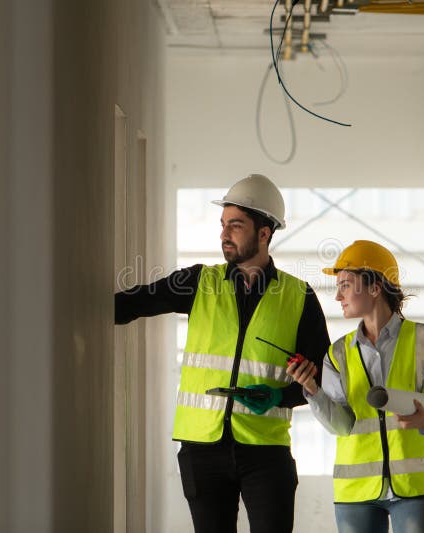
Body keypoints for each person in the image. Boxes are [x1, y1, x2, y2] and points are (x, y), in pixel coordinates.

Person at [115, 174, 330, 533]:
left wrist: (282, 395)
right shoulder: (199, 282)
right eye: (222, 224)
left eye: (235, 225)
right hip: (203, 449)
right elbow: (135, 302)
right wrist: (72, 304)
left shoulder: (298, 296)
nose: (224, 234)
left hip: (265, 450)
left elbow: (324, 377)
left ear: (265, 232)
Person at [287, 240, 424, 533]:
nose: (338, 296)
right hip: (356, 493)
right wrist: (312, 389)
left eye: (346, 285)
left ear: (375, 288)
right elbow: (342, 425)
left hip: (414, 490)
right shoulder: (338, 354)